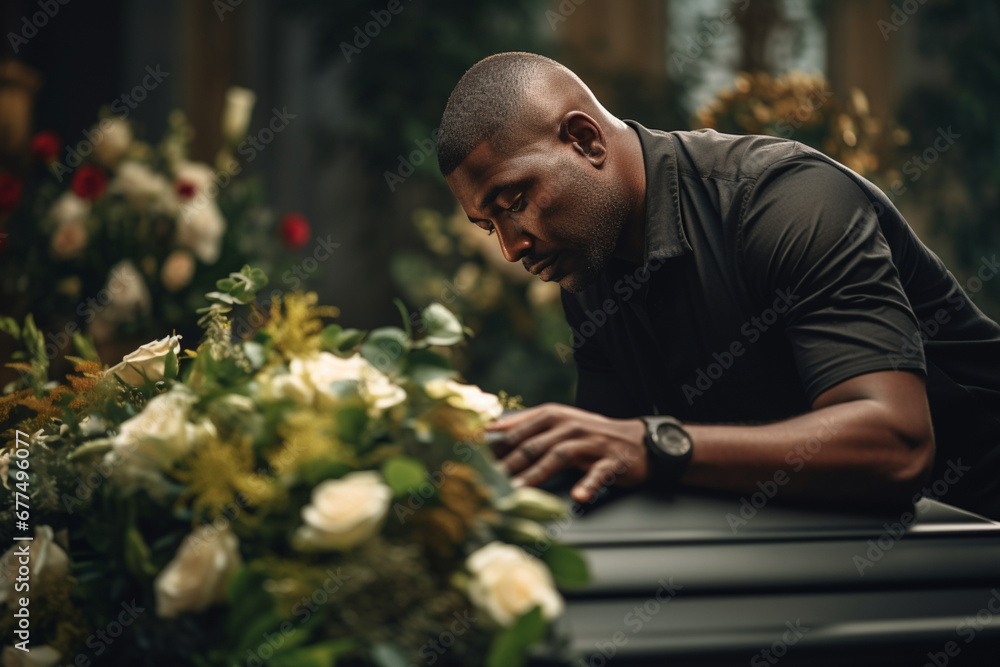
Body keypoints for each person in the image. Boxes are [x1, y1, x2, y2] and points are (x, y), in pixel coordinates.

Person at [436, 52, 1000, 521]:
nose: (511, 247)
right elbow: (608, 470)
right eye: (490, 226)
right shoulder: (588, 271)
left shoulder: (787, 202)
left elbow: (896, 447)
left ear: (585, 140)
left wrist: (656, 445)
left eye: (514, 203)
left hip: (970, 540)